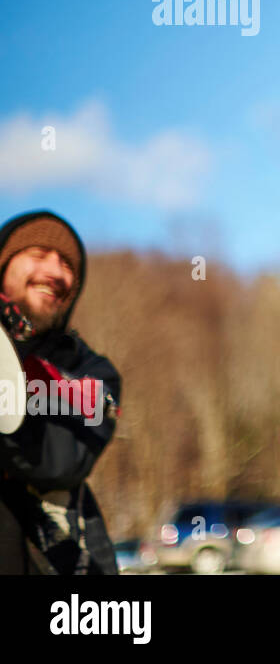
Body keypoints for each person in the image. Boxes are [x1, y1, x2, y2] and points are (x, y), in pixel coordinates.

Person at [0, 210, 120, 574]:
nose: (54, 272)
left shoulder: (93, 374)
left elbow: (62, 461)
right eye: (38, 255)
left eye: (67, 264)